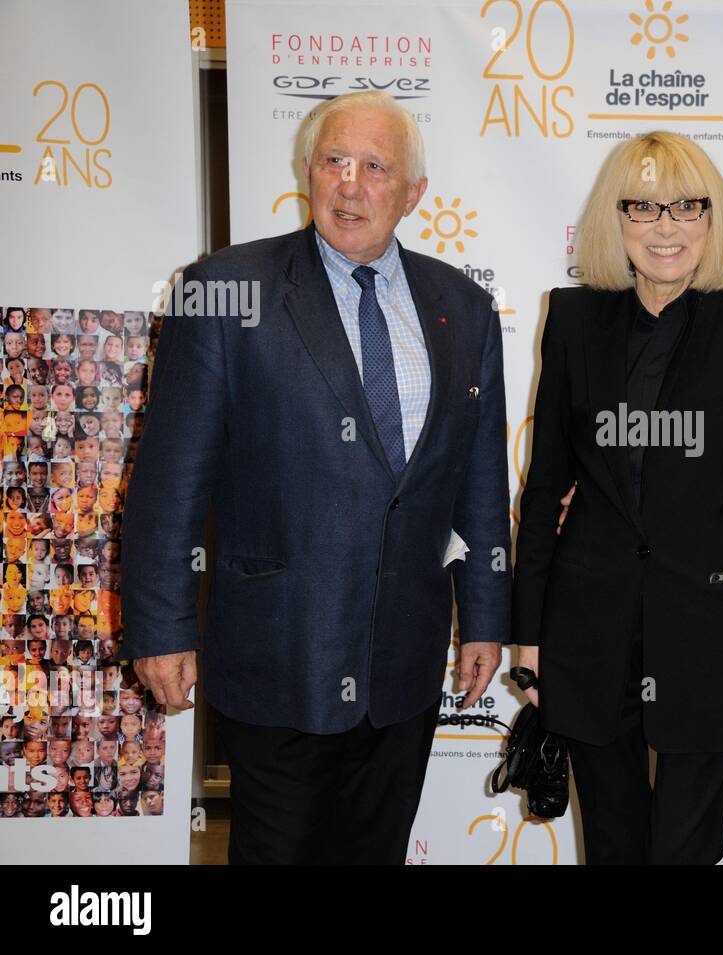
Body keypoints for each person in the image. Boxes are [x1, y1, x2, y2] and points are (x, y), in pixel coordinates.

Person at [121, 90, 511, 864]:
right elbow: (170, 479)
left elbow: (478, 477)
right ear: (307, 172)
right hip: (277, 656)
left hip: (402, 663)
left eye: (374, 166)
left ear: (414, 193)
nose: (350, 183)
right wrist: (161, 626)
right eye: (334, 161)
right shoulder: (225, 289)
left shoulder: (463, 308)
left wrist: (488, 614)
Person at [512, 131, 723, 864]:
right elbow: (543, 487)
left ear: (712, 217)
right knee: (612, 844)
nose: (665, 226)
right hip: (587, 632)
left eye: (685, 206)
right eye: (642, 207)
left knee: (685, 849)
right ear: (616, 220)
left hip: (714, 635)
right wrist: (529, 631)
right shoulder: (572, 318)